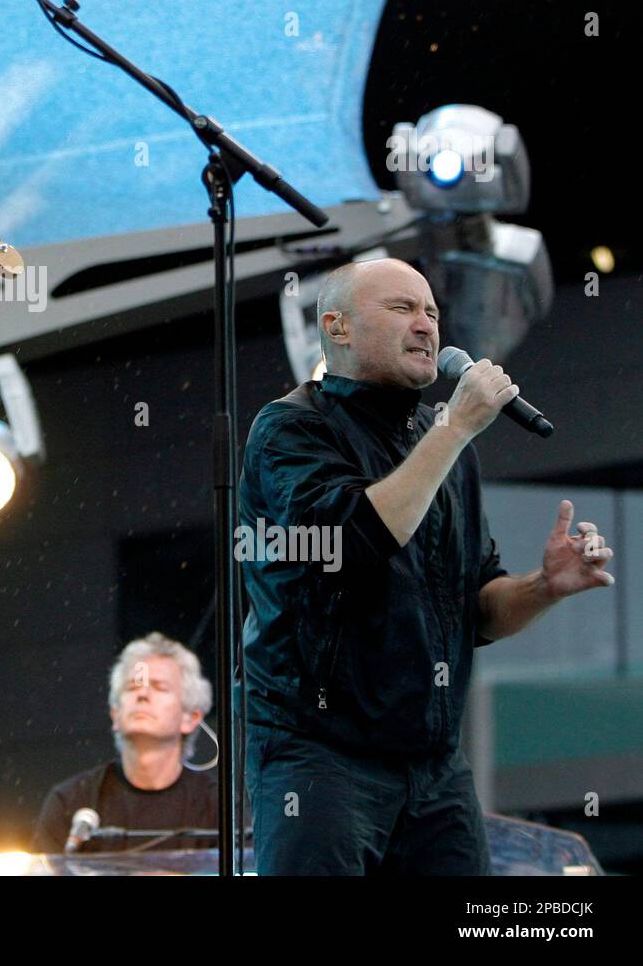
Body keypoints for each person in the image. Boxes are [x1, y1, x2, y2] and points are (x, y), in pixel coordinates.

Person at [238, 257, 614, 875]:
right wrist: (457, 426)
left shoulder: (444, 449)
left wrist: (544, 586)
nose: (427, 326)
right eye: (402, 308)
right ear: (337, 325)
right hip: (320, 756)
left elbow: (476, 610)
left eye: (433, 313)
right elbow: (350, 543)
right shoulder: (291, 429)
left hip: (434, 766)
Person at [33, 632, 219, 853]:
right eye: (132, 687)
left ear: (191, 718)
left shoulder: (219, 806)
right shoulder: (70, 801)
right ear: (115, 714)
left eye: (159, 687)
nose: (142, 694)